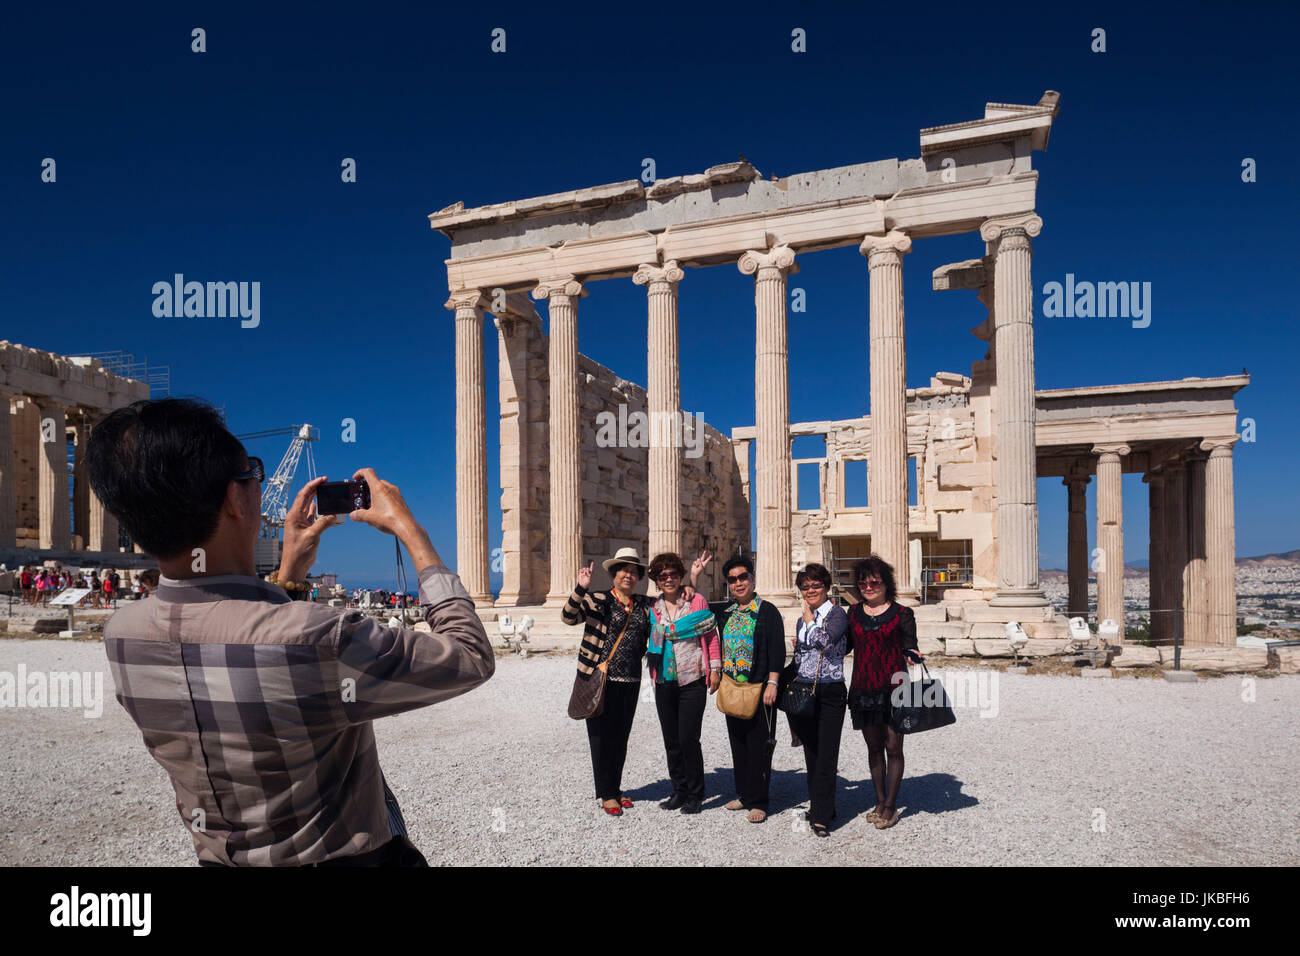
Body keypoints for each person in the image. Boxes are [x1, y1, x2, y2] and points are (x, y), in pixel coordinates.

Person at [86, 397, 494, 866]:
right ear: (235, 500)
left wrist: (290, 576)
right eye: (252, 474)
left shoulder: (123, 636)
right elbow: (468, 655)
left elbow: (251, 649)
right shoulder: (322, 637)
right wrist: (411, 531)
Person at [690, 552, 786, 823]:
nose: (738, 583)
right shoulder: (727, 611)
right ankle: (744, 794)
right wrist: (695, 578)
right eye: (732, 580)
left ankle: (759, 801)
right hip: (733, 688)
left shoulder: (767, 611)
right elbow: (698, 610)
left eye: (743, 577)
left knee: (760, 745)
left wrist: (773, 683)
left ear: (752, 579)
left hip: (760, 689)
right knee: (739, 744)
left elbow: (777, 651)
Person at [562, 546, 653, 817]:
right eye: (623, 570)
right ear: (614, 573)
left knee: (621, 737)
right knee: (601, 737)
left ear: (638, 577)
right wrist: (580, 588)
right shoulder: (597, 600)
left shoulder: (643, 604)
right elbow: (568, 617)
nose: (628, 575)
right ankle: (606, 793)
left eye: (633, 571)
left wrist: (691, 583)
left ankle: (615, 787)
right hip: (600, 678)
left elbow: (671, 607)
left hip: (631, 679)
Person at [845, 555, 921, 831]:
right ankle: (879, 801)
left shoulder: (903, 614)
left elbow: (910, 645)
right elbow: (844, 648)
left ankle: (891, 805)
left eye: (874, 581)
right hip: (863, 689)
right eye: (863, 582)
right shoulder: (852, 614)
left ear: (886, 584)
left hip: (895, 689)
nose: (868, 586)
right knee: (874, 749)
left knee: (893, 748)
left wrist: (913, 654)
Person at [645, 551, 721, 815]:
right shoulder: (652, 608)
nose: (669, 579)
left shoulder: (696, 600)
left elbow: (710, 634)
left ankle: (696, 794)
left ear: (680, 575)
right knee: (671, 740)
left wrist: (715, 668)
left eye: (673, 574)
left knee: (689, 738)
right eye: (663, 575)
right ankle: (679, 790)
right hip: (664, 679)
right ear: (656, 579)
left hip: (693, 676)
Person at [783, 563, 849, 837]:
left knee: (827, 753)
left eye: (816, 585)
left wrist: (810, 622)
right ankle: (822, 806)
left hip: (831, 690)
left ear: (827, 587)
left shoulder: (837, 614)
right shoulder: (801, 619)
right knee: (811, 753)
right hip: (805, 690)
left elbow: (825, 641)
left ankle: (822, 815)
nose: (810, 590)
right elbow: (800, 658)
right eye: (805, 586)